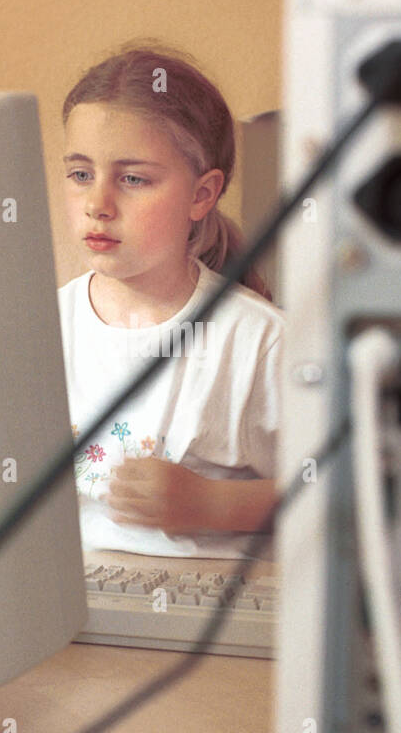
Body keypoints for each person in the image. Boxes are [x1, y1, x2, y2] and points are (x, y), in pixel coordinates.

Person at [57, 40, 283, 558]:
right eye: (80, 174)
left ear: (202, 195)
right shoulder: (44, 328)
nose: (98, 204)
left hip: (204, 619)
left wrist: (211, 504)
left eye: (133, 179)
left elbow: (349, 494)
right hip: (78, 611)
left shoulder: (260, 342)